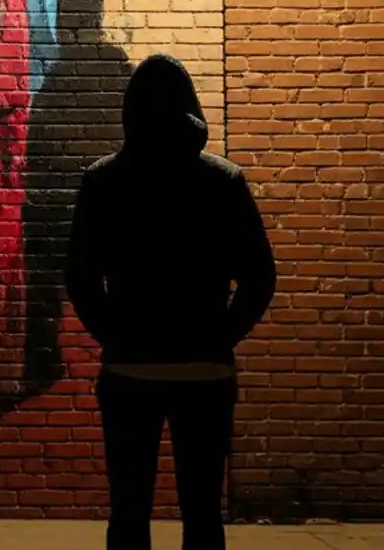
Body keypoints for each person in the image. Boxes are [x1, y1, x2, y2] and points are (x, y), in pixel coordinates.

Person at [65, 54, 276, 550]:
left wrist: (115, 335)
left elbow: (80, 277)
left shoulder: (103, 181)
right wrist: (220, 336)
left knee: (129, 511)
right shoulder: (223, 182)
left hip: (130, 370)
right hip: (205, 373)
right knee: (203, 513)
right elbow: (259, 278)